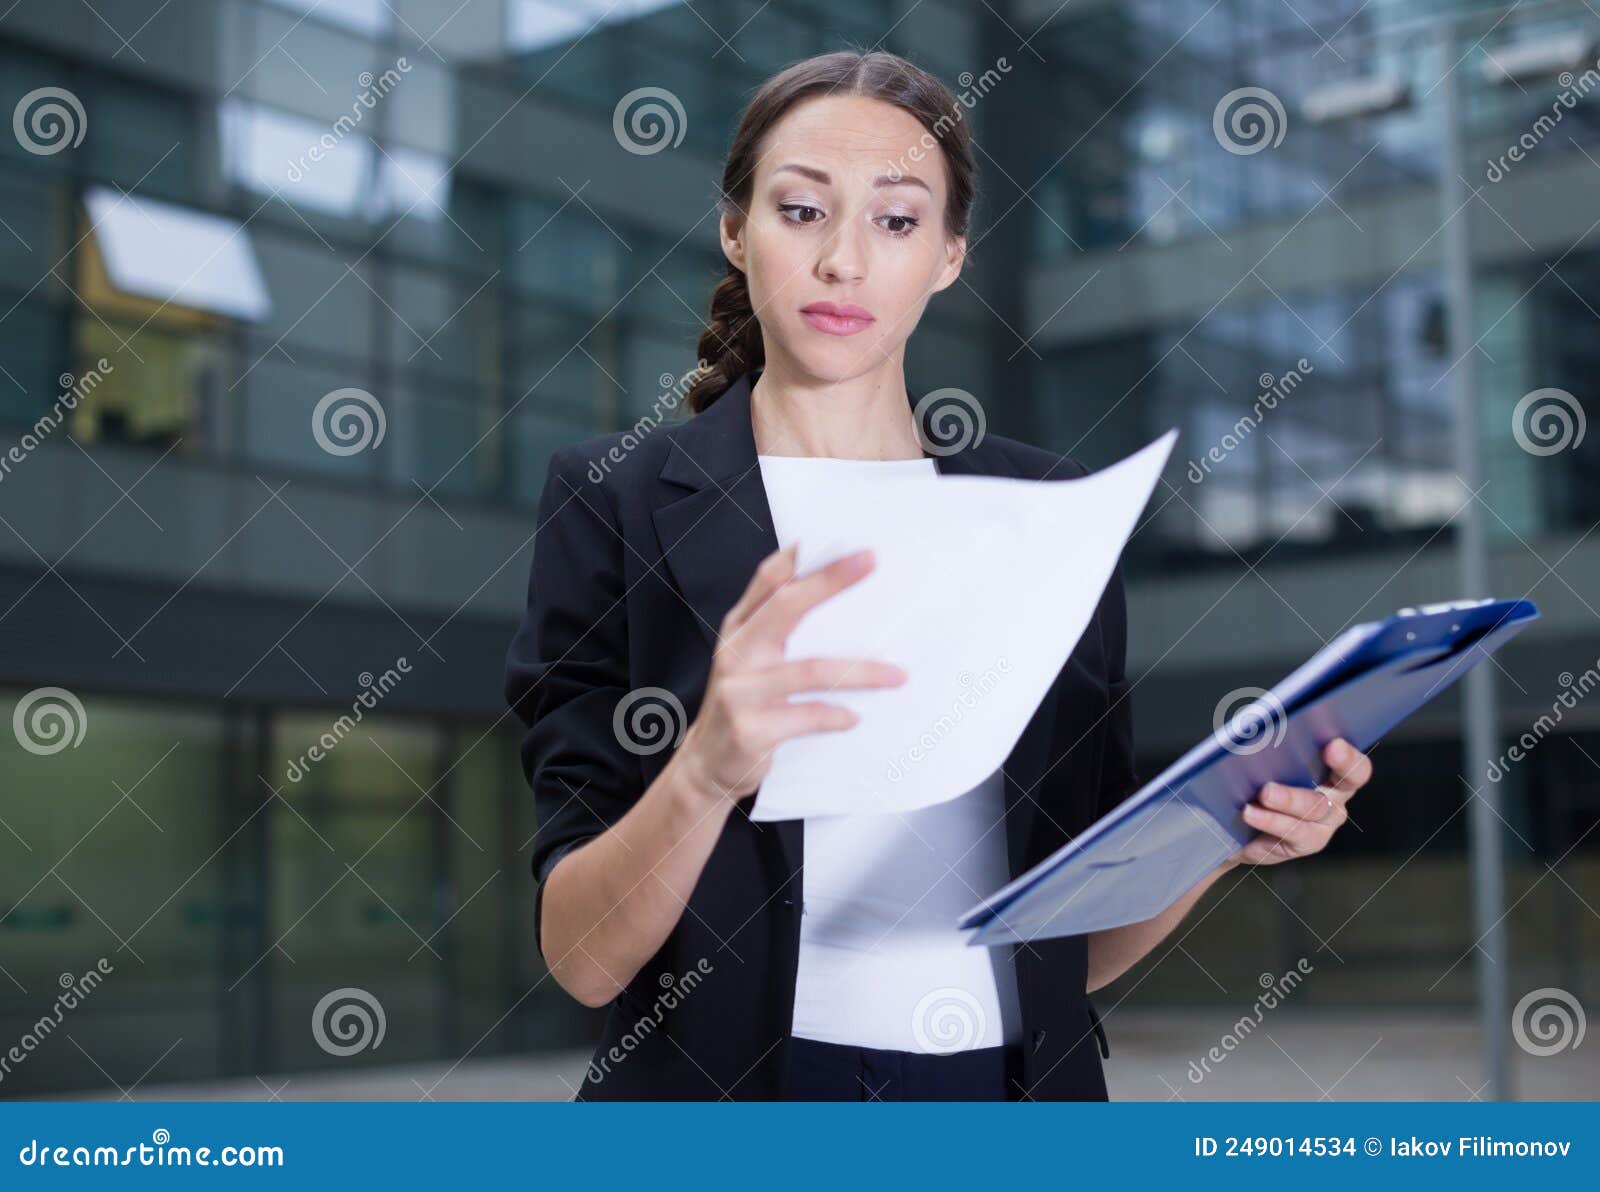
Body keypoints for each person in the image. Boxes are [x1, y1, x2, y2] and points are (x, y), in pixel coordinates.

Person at [504, 49, 1372, 1102]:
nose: (844, 262)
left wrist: (1228, 831)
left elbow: (1068, 948)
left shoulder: (1050, 519)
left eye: (899, 220)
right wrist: (705, 770)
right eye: (801, 210)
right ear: (736, 231)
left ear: (950, 254)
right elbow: (583, 957)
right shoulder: (615, 502)